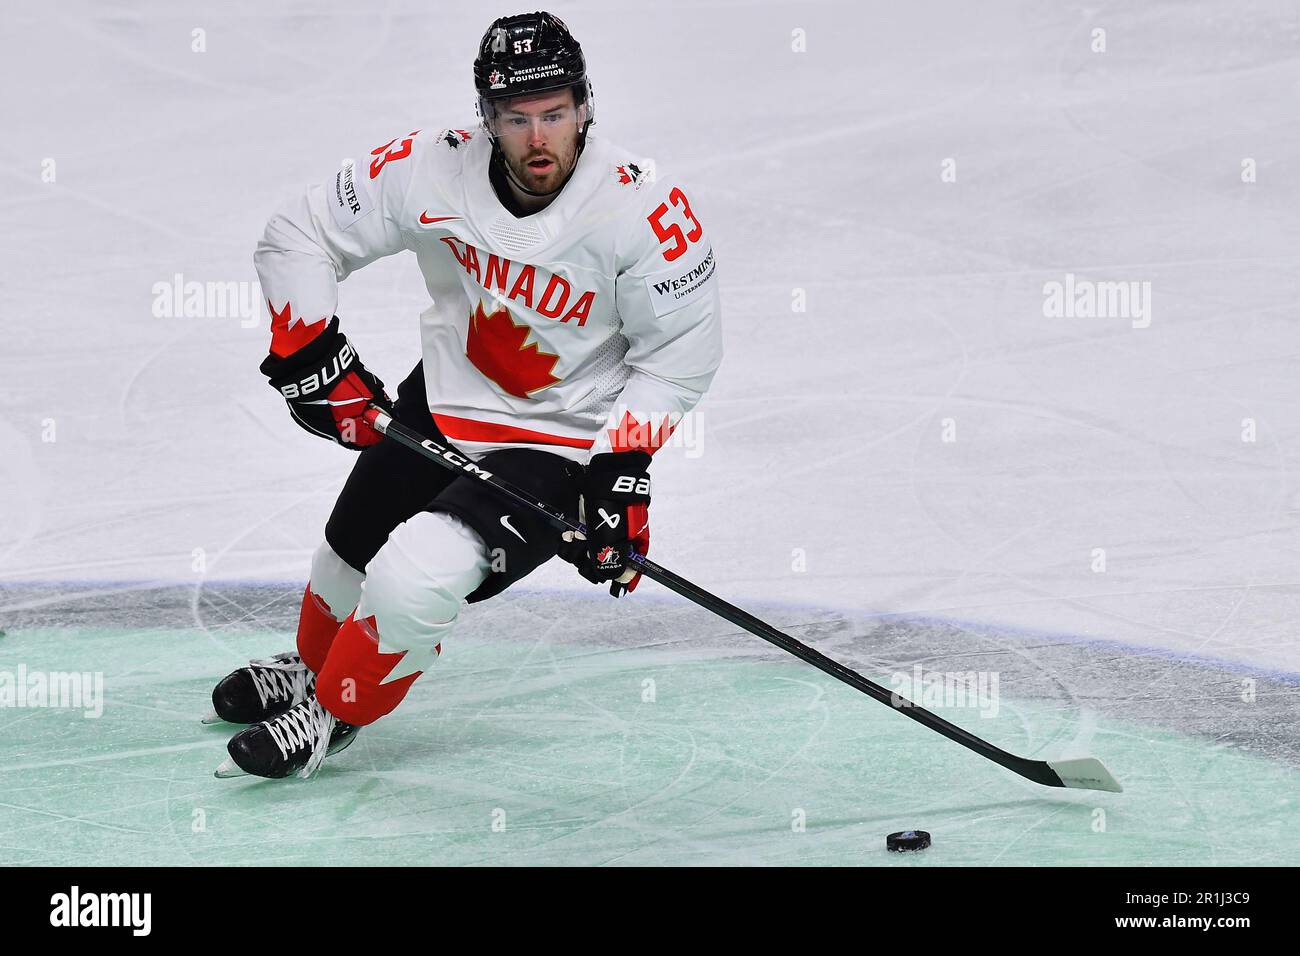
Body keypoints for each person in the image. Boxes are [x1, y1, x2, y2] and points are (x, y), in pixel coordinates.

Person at [210, 12, 723, 779]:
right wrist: (308, 350)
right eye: (517, 118)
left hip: (560, 443)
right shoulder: (430, 167)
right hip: (447, 399)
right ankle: (316, 665)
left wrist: (621, 468)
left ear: (586, 106)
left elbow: (679, 358)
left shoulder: (642, 212)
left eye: (555, 114)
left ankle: (335, 711)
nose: (539, 137)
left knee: (413, 574)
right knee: (346, 551)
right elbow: (299, 232)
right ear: (486, 118)